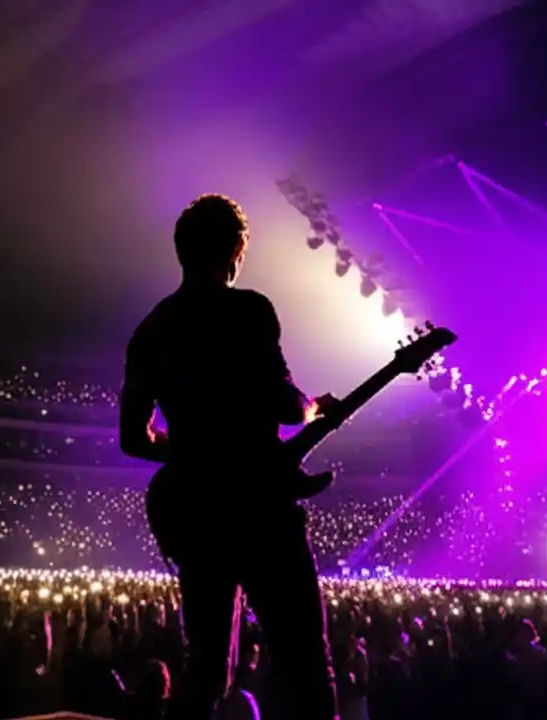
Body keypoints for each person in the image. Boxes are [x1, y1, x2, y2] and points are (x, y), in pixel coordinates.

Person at [120, 193, 340, 720]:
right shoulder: (249, 310)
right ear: (236, 253)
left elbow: (133, 439)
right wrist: (312, 409)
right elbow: (286, 406)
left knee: (206, 669)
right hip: (261, 510)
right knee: (307, 663)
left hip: (195, 511)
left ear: (181, 252)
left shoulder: (152, 330)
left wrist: (194, 449)